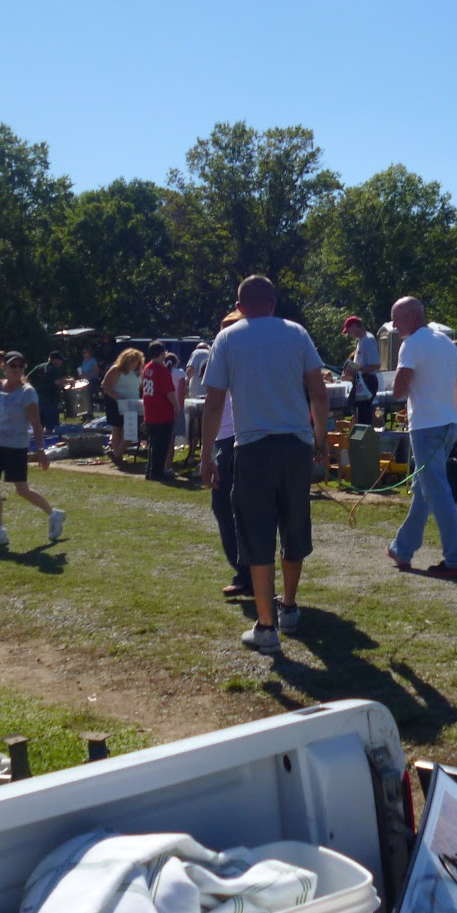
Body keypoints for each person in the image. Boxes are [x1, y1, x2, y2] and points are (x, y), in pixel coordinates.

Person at [200, 276, 329, 653]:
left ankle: (266, 627)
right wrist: (320, 440)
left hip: (253, 448)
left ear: (239, 307)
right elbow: (318, 393)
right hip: (295, 446)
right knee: (294, 524)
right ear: (273, 302)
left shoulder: (227, 339)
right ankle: (288, 606)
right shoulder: (297, 332)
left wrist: (207, 455)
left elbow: (213, 403)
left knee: (257, 533)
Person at [386, 297, 457, 577]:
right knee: (424, 490)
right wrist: (455, 418)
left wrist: (401, 384)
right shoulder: (447, 343)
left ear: (411, 317)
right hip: (447, 423)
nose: (395, 326)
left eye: (397, 320)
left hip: (426, 427)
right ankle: (402, 548)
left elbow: (400, 391)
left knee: (437, 491)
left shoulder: (411, 345)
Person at [0, 351, 65, 548]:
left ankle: (53, 514)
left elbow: (36, 422)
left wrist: (41, 449)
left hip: (16, 446)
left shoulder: (27, 392)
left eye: (20, 366)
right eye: (12, 365)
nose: (16, 369)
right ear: (4, 368)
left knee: (21, 489)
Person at [206, 313, 249, 598]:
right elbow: (214, 401)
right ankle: (243, 570)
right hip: (224, 440)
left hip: (246, 437)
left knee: (246, 508)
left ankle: (250, 572)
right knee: (223, 505)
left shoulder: (251, 353)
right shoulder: (220, 353)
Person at [100, 348, 143, 468]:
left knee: (130, 431)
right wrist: (118, 397)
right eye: (132, 361)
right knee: (117, 428)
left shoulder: (138, 372)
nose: (134, 363)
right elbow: (105, 385)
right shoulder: (116, 369)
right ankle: (118, 456)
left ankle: (116, 453)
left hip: (133, 404)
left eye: (136, 361)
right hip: (115, 402)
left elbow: (141, 387)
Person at [140, 342, 176, 482]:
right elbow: (169, 392)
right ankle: (157, 472)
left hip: (150, 410)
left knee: (152, 444)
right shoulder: (162, 371)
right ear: (162, 354)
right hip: (162, 412)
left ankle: (150, 470)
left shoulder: (147, 368)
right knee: (161, 445)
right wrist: (177, 407)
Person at [341, 316, 382, 427]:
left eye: (349, 331)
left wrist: (358, 370)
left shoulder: (368, 340)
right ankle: (360, 438)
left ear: (354, 326)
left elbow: (376, 365)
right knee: (356, 410)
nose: (349, 334)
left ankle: (366, 440)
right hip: (361, 382)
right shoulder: (361, 341)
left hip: (368, 382)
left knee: (364, 418)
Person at [28, 350, 67, 433]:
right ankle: (50, 442)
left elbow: (27, 379)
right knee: (51, 427)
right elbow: (57, 381)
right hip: (49, 400)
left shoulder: (40, 367)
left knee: (39, 425)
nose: (61, 362)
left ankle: (39, 443)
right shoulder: (54, 368)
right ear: (55, 359)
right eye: (60, 360)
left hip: (37, 399)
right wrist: (69, 381)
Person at [165, 351, 187, 475]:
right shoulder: (180, 373)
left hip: (163, 408)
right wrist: (179, 408)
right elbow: (181, 393)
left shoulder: (163, 372)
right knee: (171, 439)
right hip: (175, 407)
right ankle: (168, 466)